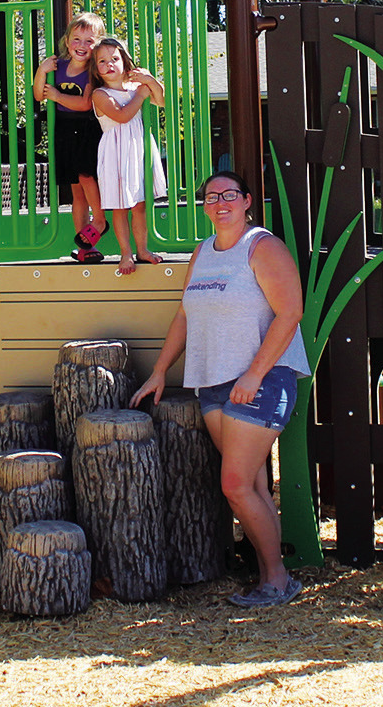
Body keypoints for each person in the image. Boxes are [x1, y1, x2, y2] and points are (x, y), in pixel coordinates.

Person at [133, 170, 311, 607]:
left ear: (247, 200)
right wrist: (160, 371)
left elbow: (290, 313)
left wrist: (253, 375)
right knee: (249, 482)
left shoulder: (262, 247)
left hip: (261, 381)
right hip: (212, 382)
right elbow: (185, 316)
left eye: (230, 194)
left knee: (233, 484)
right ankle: (274, 577)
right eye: (211, 197)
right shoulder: (203, 253)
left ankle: (275, 579)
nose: (220, 202)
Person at [88, 37, 167, 274]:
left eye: (114, 58)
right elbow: (122, 116)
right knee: (120, 207)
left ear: (124, 60)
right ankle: (126, 254)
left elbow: (161, 100)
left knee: (139, 205)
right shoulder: (100, 94)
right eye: (102, 61)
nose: (109, 64)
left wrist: (149, 81)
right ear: (96, 69)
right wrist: (142, 95)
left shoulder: (136, 87)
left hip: (137, 149)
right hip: (116, 153)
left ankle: (142, 250)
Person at [32, 13, 107, 261]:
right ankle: (86, 246)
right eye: (77, 39)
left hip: (86, 127)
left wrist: (56, 96)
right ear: (67, 41)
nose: (82, 46)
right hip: (63, 128)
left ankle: (99, 219)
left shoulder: (92, 72)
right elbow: (37, 95)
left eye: (89, 41)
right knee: (76, 192)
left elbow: (85, 104)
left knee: (87, 176)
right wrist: (41, 71)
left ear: (97, 44)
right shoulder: (59, 68)